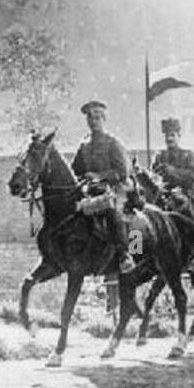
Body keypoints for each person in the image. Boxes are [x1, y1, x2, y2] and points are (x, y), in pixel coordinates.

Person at [70, 100, 137, 275]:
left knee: (113, 211)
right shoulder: (84, 144)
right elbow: (75, 169)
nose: (93, 121)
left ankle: (125, 255)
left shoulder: (113, 142)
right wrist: (82, 178)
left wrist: (100, 176)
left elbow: (123, 171)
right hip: (91, 190)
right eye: (90, 118)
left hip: (116, 188)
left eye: (97, 117)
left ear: (104, 119)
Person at [152, 116, 194, 271]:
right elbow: (154, 175)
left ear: (179, 136)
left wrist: (174, 172)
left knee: (185, 210)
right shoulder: (159, 155)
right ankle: (135, 251)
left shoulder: (189, 154)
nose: (169, 139)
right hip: (163, 192)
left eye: (172, 135)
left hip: (186, 192)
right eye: (167, 136)